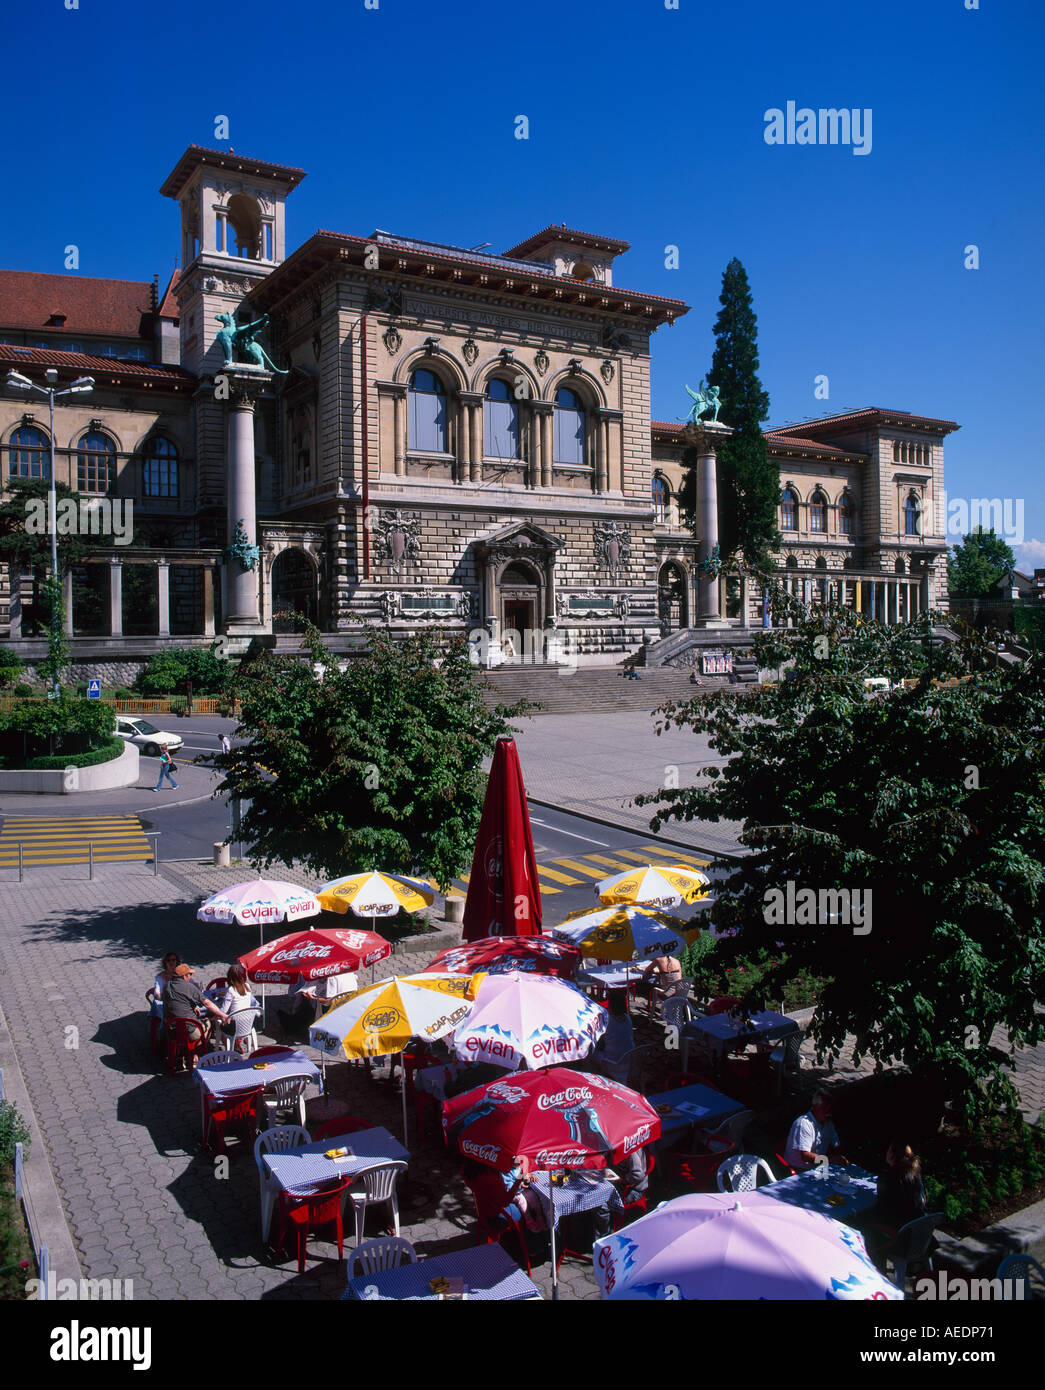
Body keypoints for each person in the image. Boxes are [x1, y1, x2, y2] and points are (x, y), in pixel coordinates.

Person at [162, 963, 229, 1064]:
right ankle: (195, 1054)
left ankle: (181, 1055)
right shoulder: (189, 987)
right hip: (189, 1030)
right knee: (209, 1023)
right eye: (190, 975)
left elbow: (177, 1002)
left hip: (171, 1031)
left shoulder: (167, 986)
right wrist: (223, 1015)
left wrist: (192, 1007)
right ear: (184, 976)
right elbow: (207, 1003)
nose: (190, 977)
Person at [784, 1090, 848, 1172]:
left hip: (817, 1167)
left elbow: (836, 1146)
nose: (829, 1112)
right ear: (815, 1107)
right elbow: (805, 1156)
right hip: (798, 1169)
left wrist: (841, 1158)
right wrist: (831, 1159)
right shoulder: (803, 1123)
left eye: (830, 1108)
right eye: (825, 1108)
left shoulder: (828, 1123)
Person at [217, 963, 260, 1054]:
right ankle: (237, 1045)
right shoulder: (247, 986)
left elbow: (223, 1011)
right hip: (248, 1024)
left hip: (235, 1027)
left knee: (218, 1024)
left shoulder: (231, 991)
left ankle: (230, 1049)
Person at [596, 992, 634, 1084]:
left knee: (590, 1052)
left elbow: (600, 1044)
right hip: (630, 1059)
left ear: (612, 1007)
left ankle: (595, 1079)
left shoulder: (608, 1022)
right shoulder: (627, 1018)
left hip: (614, 1063)